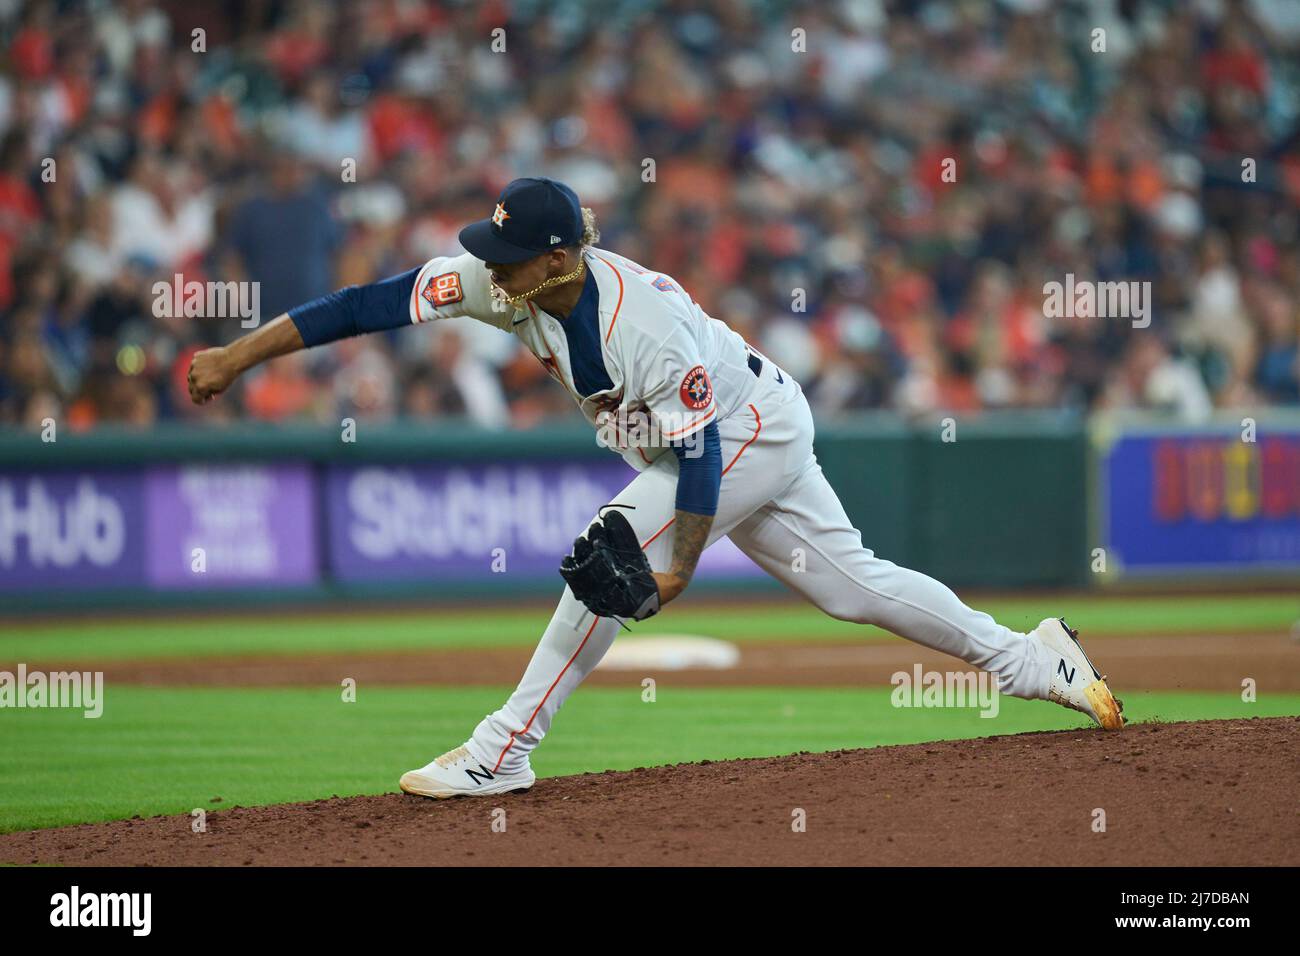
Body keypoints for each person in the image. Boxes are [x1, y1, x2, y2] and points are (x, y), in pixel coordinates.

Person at [187, 177, 1124, 800]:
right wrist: (237, 352)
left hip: (745, 428)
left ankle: (503, 750)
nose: (489, 266)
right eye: (489, 250)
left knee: (610, 554)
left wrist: (674, 570)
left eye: (508, 256)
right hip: (747, 419)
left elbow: (704, 456)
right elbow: (364, 305)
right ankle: (1035, 659)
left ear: (560, 259)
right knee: (853, 586)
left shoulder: (645, 325)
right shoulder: (496, 280)